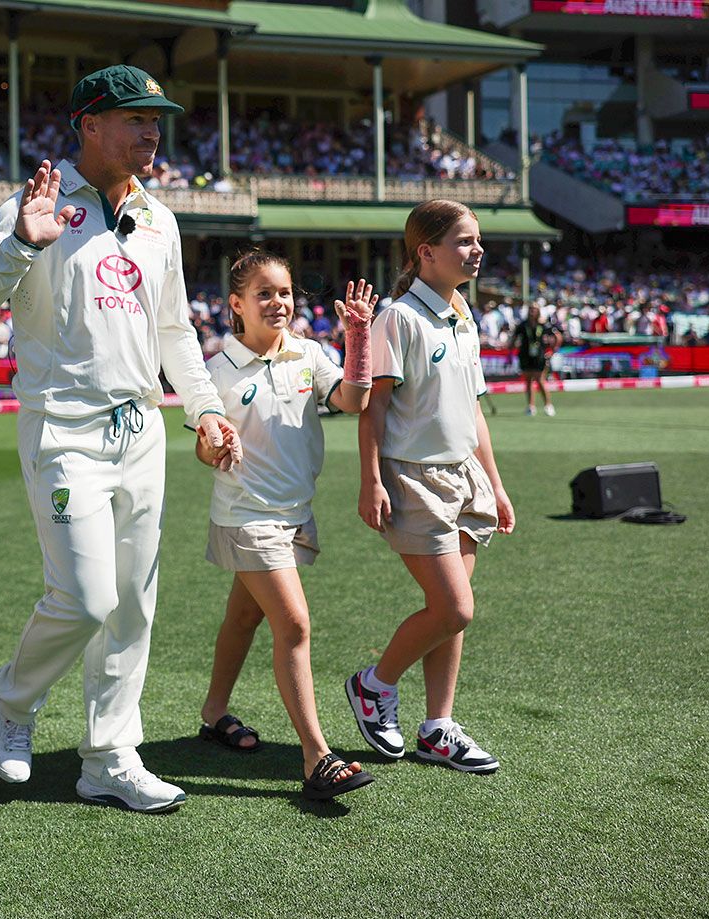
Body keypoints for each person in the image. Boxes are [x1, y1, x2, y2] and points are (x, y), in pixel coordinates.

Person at [0, 65, 242, 813]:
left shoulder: (158, 218)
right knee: (83, 597)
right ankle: (11, 700)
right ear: (88, 124)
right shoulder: (35, 204)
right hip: (63, 427)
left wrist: (204, 410)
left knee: (133, 607)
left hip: (140, 427)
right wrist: (22, 241)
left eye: (157, 119)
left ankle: (109, 757)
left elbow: (174, 330)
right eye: (135, 118)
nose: (152, 132)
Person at [192, 250, 377, 801]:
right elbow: (203, 451)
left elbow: (353, 399)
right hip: (245, 516)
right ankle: (316, 758)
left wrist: (358, 338)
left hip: (295, 512)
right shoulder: (215, 371)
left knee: (245, 615)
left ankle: (213, 713)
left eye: (286, 293)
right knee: (293, 625)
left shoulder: (309, 353)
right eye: (264, 294)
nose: (278, 303)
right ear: (236, 304)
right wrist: (213, 445)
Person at [349, 199, 515, 776]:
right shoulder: (397, 317)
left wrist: (494, 484)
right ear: (427, 252)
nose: (477, 250)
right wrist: (371, 480)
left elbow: (473, 410)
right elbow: (373, 410)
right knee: (456, 608)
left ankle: (438, 727)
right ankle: (374, 685)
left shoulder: (461, 312)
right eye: (465, 241)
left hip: (463, 476)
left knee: (448, 614)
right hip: (413, 478)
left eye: (478, 240)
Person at [511, 302, 560, 416]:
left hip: (539, 356)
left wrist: (552, 351)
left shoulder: (543, 324)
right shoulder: (523, 325)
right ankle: (531, 406)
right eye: (531, 309)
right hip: (525, 355)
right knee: (528, 381)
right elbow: (514, 338)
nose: (532, 311)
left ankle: (548, 405)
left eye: (534, 309)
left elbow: (557, 336)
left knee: (540, 380)